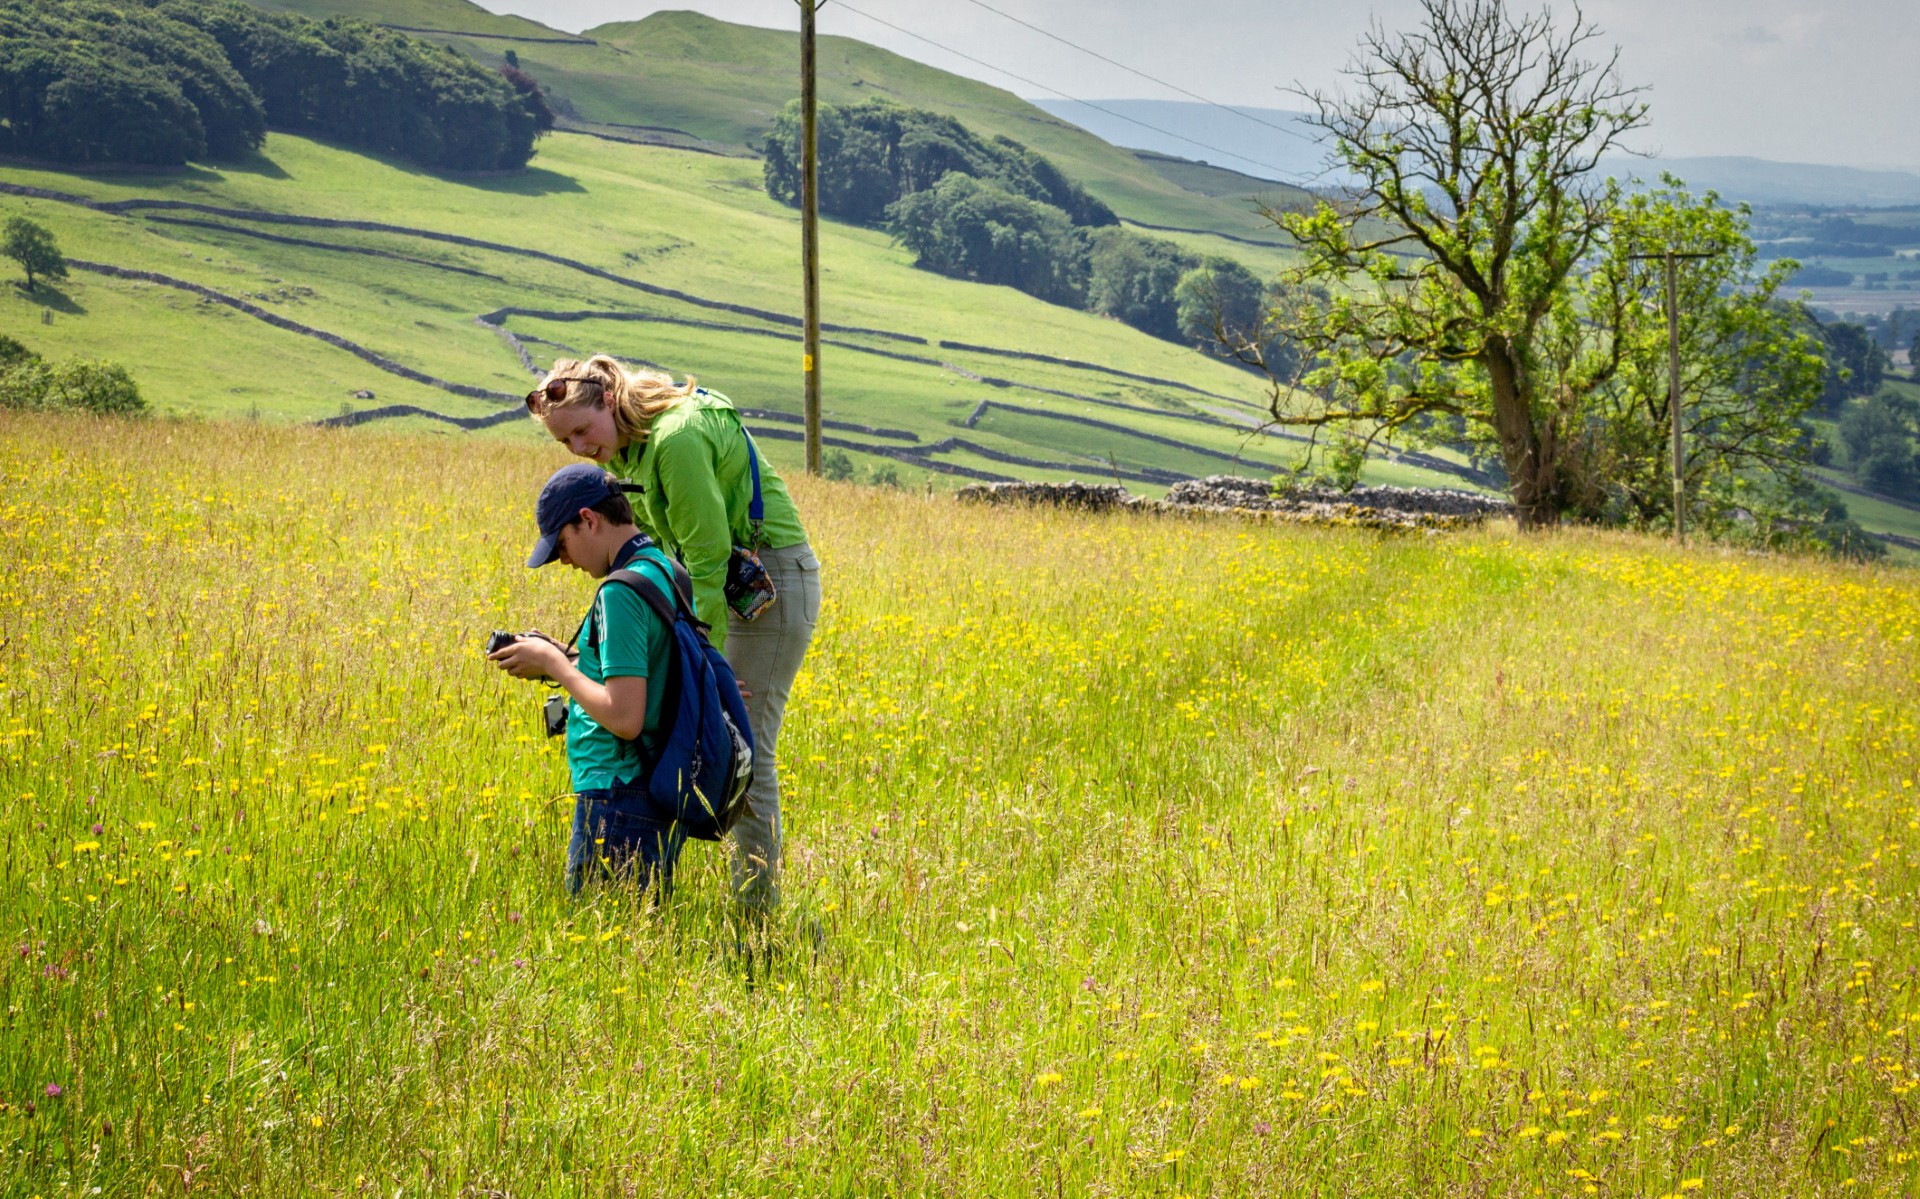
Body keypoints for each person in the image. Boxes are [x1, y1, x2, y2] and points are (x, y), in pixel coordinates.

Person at [527, 355, 819, 915]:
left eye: (583, 431)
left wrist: (705, 663)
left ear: (609, 399)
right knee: (685, 725)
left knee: (738, 745)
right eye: (566, 443)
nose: (581, 449)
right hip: (724, 588)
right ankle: (649, 880)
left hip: (769, 584)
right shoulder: (629, 449)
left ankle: (757, 917)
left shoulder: (676, 440)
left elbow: (706, 557)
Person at [490, 463, 684, 896]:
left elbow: (625, 716)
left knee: (612, 940)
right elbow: (644, 668)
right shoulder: (663, 569)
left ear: (589, 520)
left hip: (618, 792)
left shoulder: (620, 593)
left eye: (562, 544)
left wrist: (555, 666)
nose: (564, 561)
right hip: (652, 786)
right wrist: (563, 653)